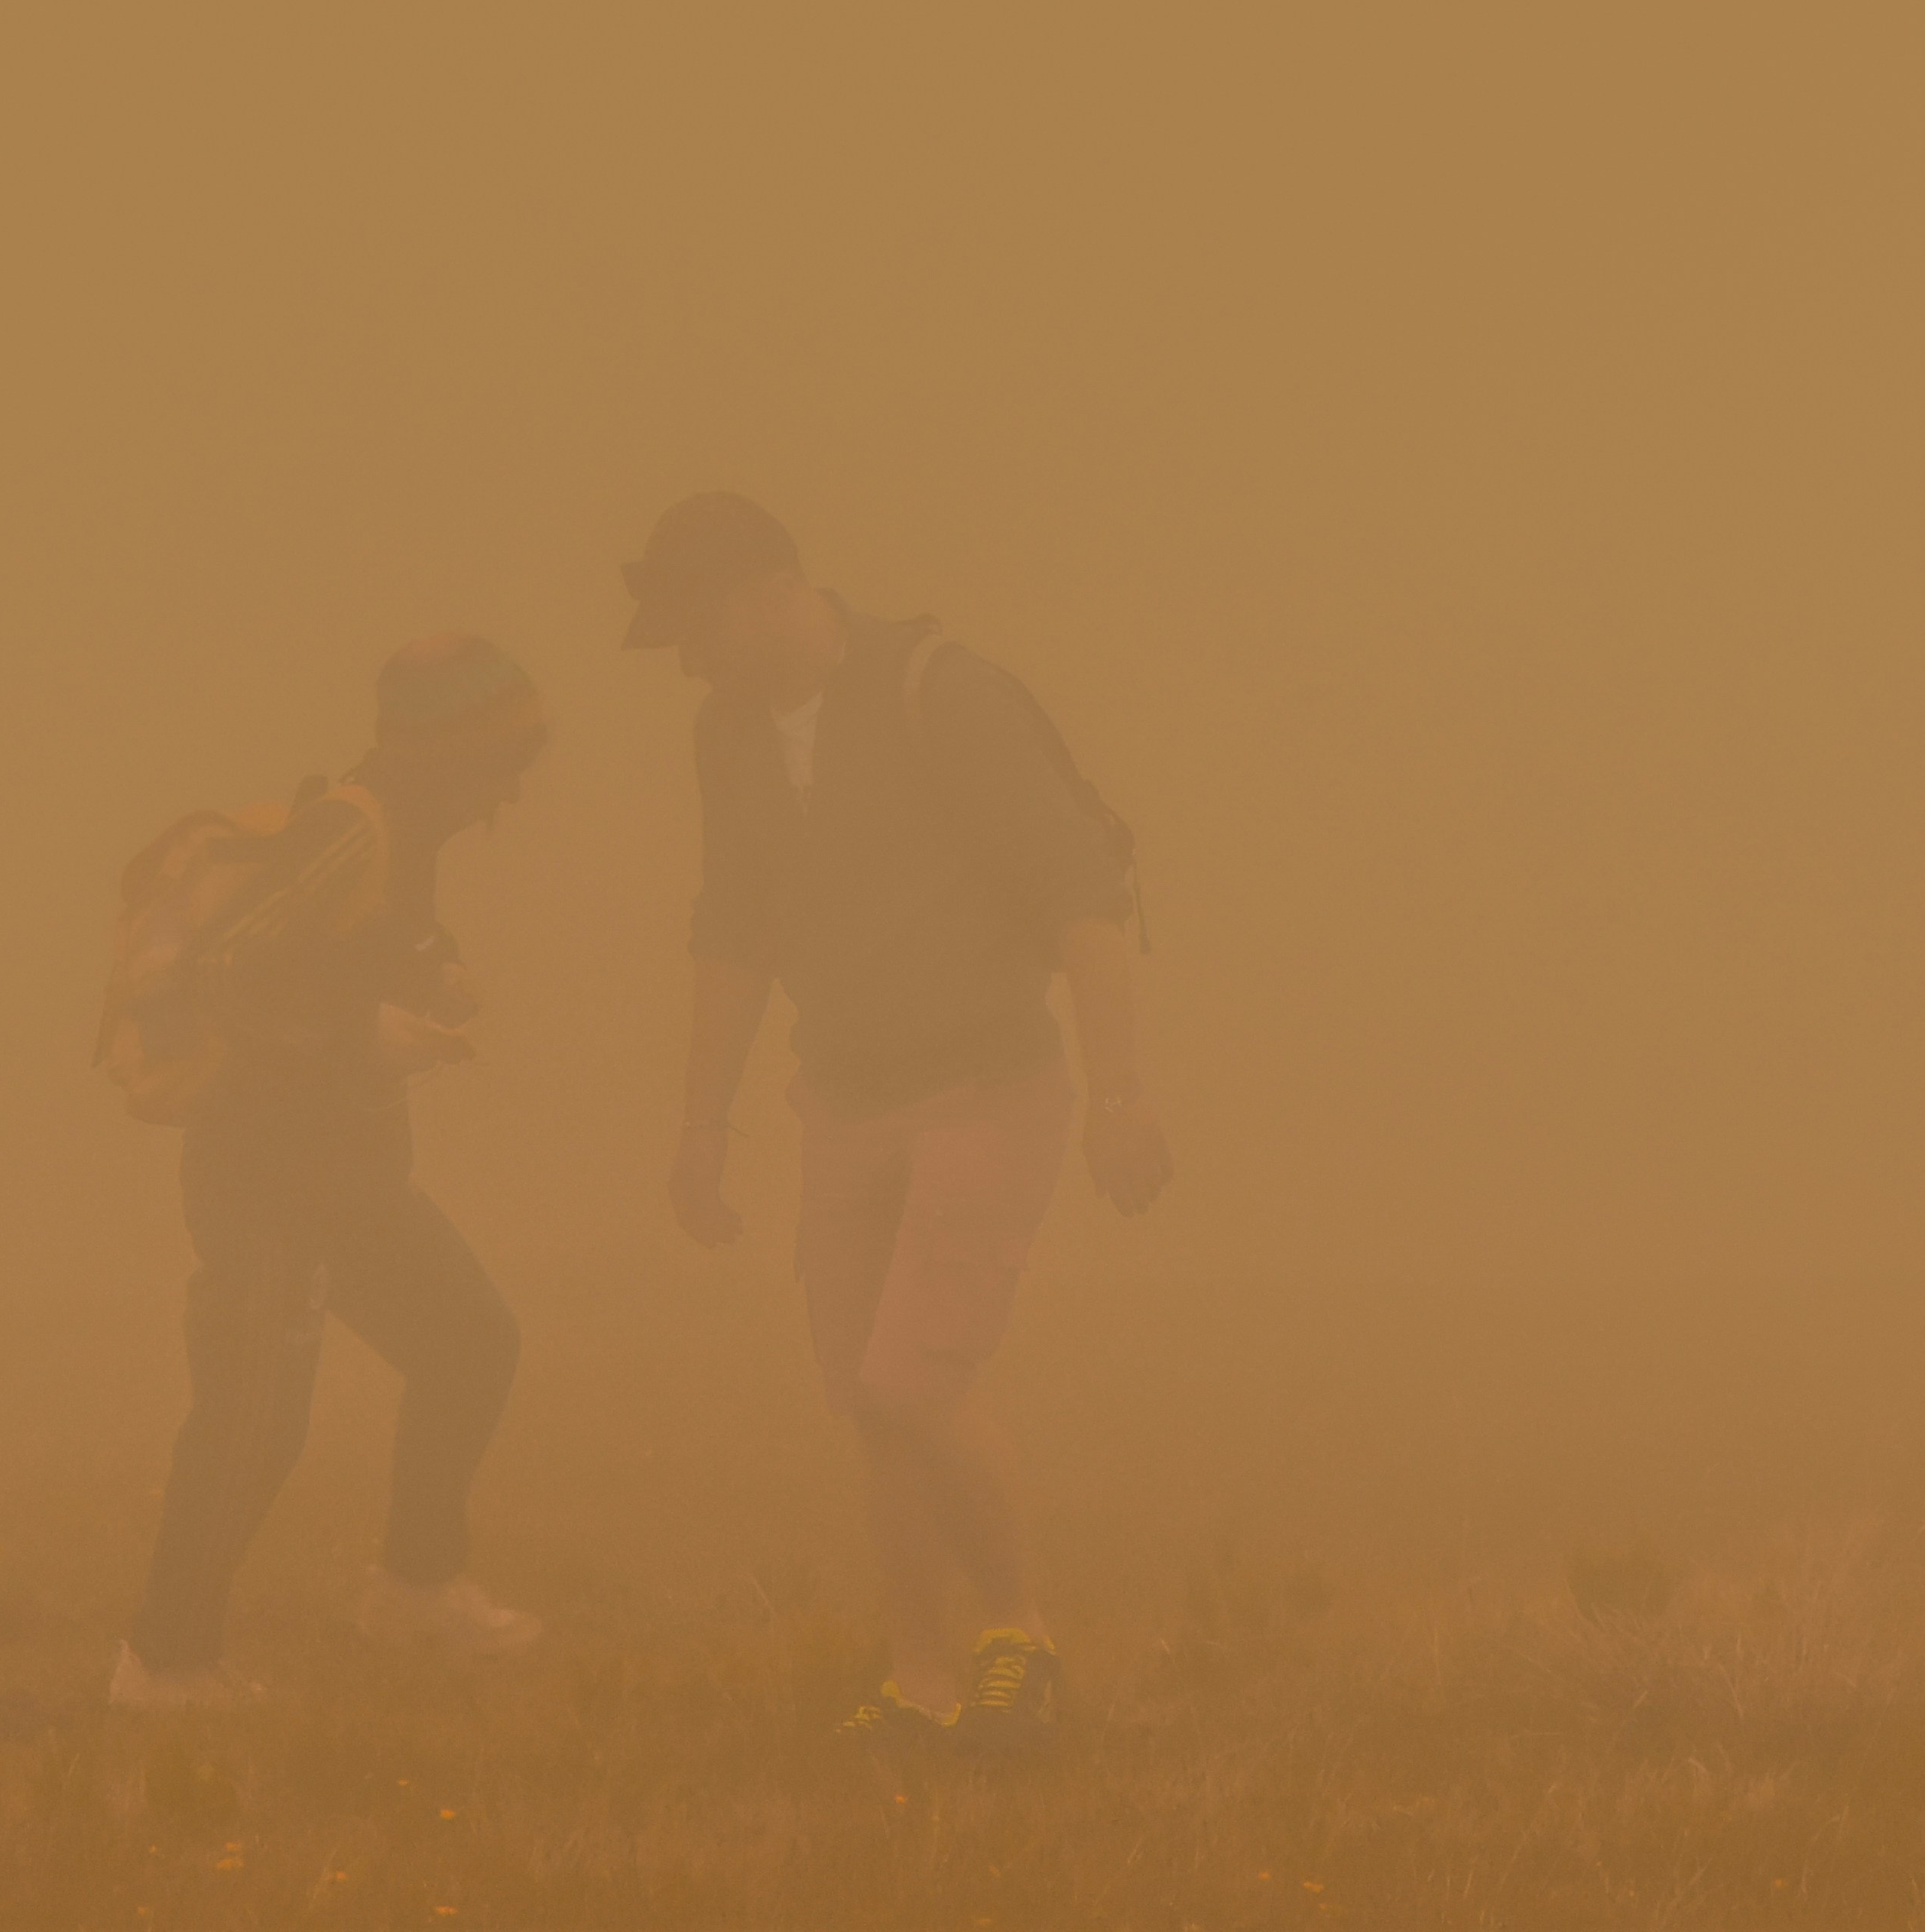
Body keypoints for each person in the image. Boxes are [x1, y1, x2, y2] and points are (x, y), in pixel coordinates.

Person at [627, 493, 1174, 1748]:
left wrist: (1120, 1097)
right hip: (845, 1100)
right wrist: (702, 1130)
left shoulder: (945, 691)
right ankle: (917, 1679)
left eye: (698, 625)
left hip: (988, 1082)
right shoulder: (730, 735)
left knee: (912, 1384)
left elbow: (1081, 896)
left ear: (776, 588)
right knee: (868, 1405)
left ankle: (1019, 1642)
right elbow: (734, 928)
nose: (692, 661)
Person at [108, 634, 555, 1711]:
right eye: (508, 759)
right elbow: (223, 977)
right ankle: (163, 1666)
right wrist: (363, 1032)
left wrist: (424, 974)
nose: (515, 789)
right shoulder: (344, 836)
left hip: (347, 1179)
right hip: (265, 1180)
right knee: (255, 1416)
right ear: (447, 749)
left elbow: (335, 954)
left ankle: (415, 1588)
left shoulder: (403, 833)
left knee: (469, 1344)